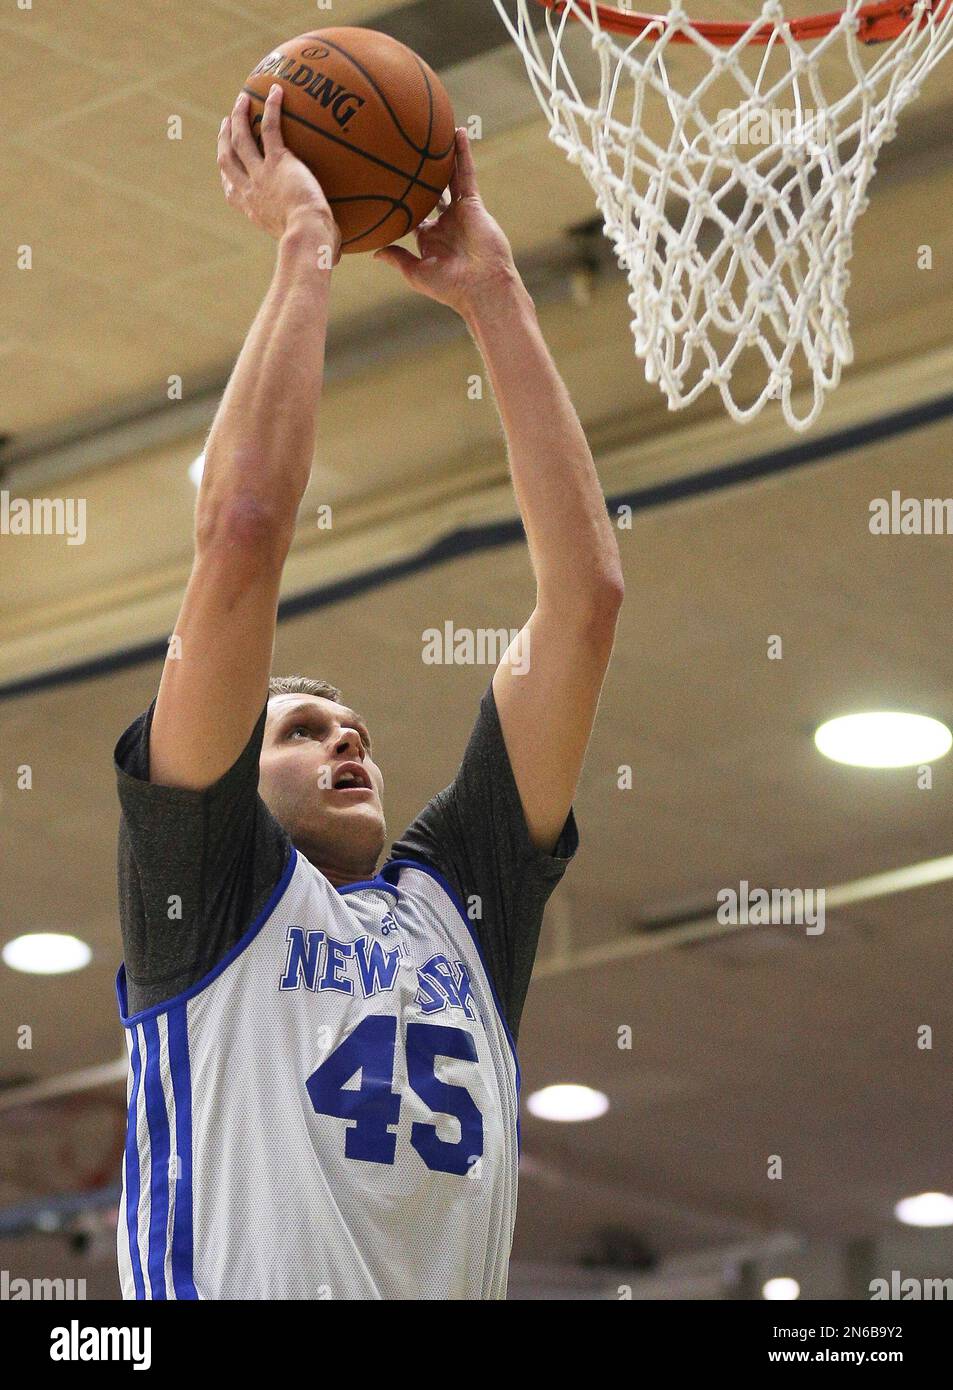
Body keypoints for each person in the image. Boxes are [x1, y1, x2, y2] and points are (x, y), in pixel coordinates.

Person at [114, 83, 624, 1300]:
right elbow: (240, 532)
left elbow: (585, 603)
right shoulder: (208, 881)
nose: (346, 738)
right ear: (242, 767)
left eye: (353, 727)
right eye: (301, 729)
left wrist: (493, 289)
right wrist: (305, 245)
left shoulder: (456, 906)